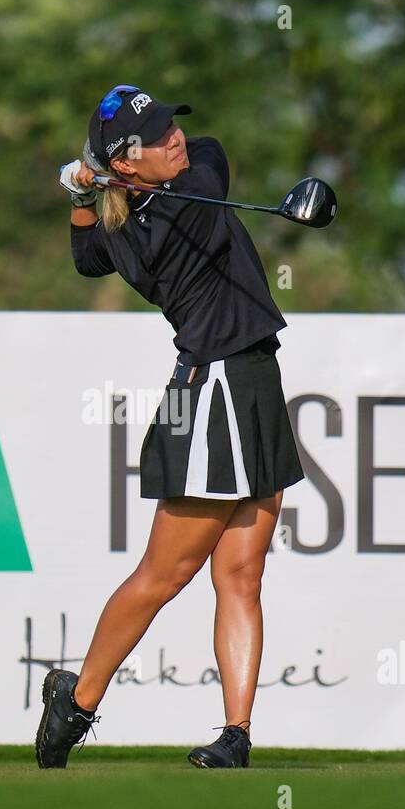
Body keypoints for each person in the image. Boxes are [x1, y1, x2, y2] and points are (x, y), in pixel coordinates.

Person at [35, 85, 305, 770]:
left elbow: (87, 255)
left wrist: (82, 190)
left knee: (242, 576)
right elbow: (213, 155)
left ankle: (237, 735)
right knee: (165, 573)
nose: (177, 139)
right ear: (129, 166)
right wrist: (92, 181)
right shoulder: (189, 203)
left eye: (168, 124)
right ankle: (79, 700)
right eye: (154, 137)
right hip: (213, 388)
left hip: (249, 381)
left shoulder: (132, 218)